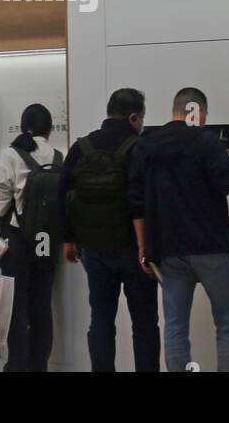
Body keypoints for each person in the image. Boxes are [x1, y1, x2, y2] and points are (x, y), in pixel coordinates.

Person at [129, 87, 229, 372]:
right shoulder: (206, 140)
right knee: (227, 323)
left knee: (176, 326)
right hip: (210, 247)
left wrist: (143, 246)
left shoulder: (147, 145)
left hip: (168, 249)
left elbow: (136, 203)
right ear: (197, 111)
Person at [61, 88, 160, 372]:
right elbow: (145, 199)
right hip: (134, 249)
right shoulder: (141, 148)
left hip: (93, 248)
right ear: (134, 117)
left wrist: (69, 239)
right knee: (144, 323)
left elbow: (63, 194)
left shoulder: (82, 147)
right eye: (141, 118)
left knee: (101, 320)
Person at [0, 103, 64, 372]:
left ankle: (17, 365)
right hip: (47, 240)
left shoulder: (10, 154)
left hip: (18, 238)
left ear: (22, 127)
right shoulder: (58, 156)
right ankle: (39, 365)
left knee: (17, 305)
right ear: (49, 129)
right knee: (42, 304)